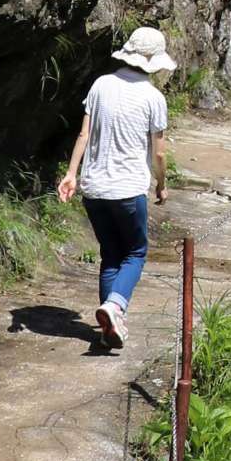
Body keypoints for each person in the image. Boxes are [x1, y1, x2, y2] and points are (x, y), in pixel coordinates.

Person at [57, 26, 173, 349]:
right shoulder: (153, 97)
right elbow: (159, 152)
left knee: (110, 255)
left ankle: (110, 328)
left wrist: (71, 173)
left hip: (94, 189)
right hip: (128, 190)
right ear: (152, 62)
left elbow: (84, 135)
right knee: (135, 253)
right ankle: (115, 307)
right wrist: (162, 186)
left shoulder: (101, 85)